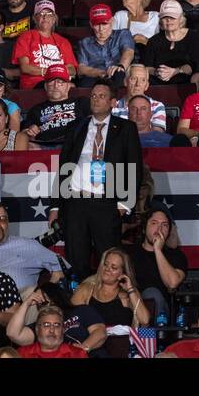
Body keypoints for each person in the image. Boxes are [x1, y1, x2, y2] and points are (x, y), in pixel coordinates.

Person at [55, 80, 142, 281]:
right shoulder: (77, 127)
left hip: (107, 203)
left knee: (110, 260)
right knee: (76, 260)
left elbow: (134, 166)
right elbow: (63, 166)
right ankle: (78, 303)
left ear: (113, 102)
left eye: (101, 96)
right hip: (76, 202)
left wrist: (124, 204)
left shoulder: (126, 128)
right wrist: (55, 206)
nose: (95, 99)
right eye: (93, 95)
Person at [126, 208, 188, 319]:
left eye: (164, 225)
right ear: (144, 228)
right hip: (129, 308)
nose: (159, 228)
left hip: (160, 314)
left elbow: (172, 283)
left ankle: (149, 336)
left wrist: (158, 250)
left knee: (152, 294)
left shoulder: (176, 256)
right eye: (154, 223)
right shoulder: (128, 253)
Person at [70, 246, 149, 328]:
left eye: (114, 267)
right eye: (105, 264)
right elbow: (71, 321)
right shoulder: (87, 288)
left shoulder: (129, 293)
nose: (107, 269)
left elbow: (145, 320)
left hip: (121, 340)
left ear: (123, 273)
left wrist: (130, 290)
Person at [12, 0, 76, 90]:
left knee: (71, 87)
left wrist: (55, 74)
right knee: (54, 87)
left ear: (54, 18)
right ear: (35, 18)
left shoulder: (63, 41)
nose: (45, 17)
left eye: (49, 14)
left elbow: (72, 70)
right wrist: (53, 71)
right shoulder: (25, 37)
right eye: (41, 14)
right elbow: (25, 67)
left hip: (60, 82)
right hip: (35, 83)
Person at [8, 300, 90, 358]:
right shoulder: (22, 354)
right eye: (46, 325)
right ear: (37, 329)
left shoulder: (77, 354)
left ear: (63, 330)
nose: (52, 330)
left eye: (57, 325)